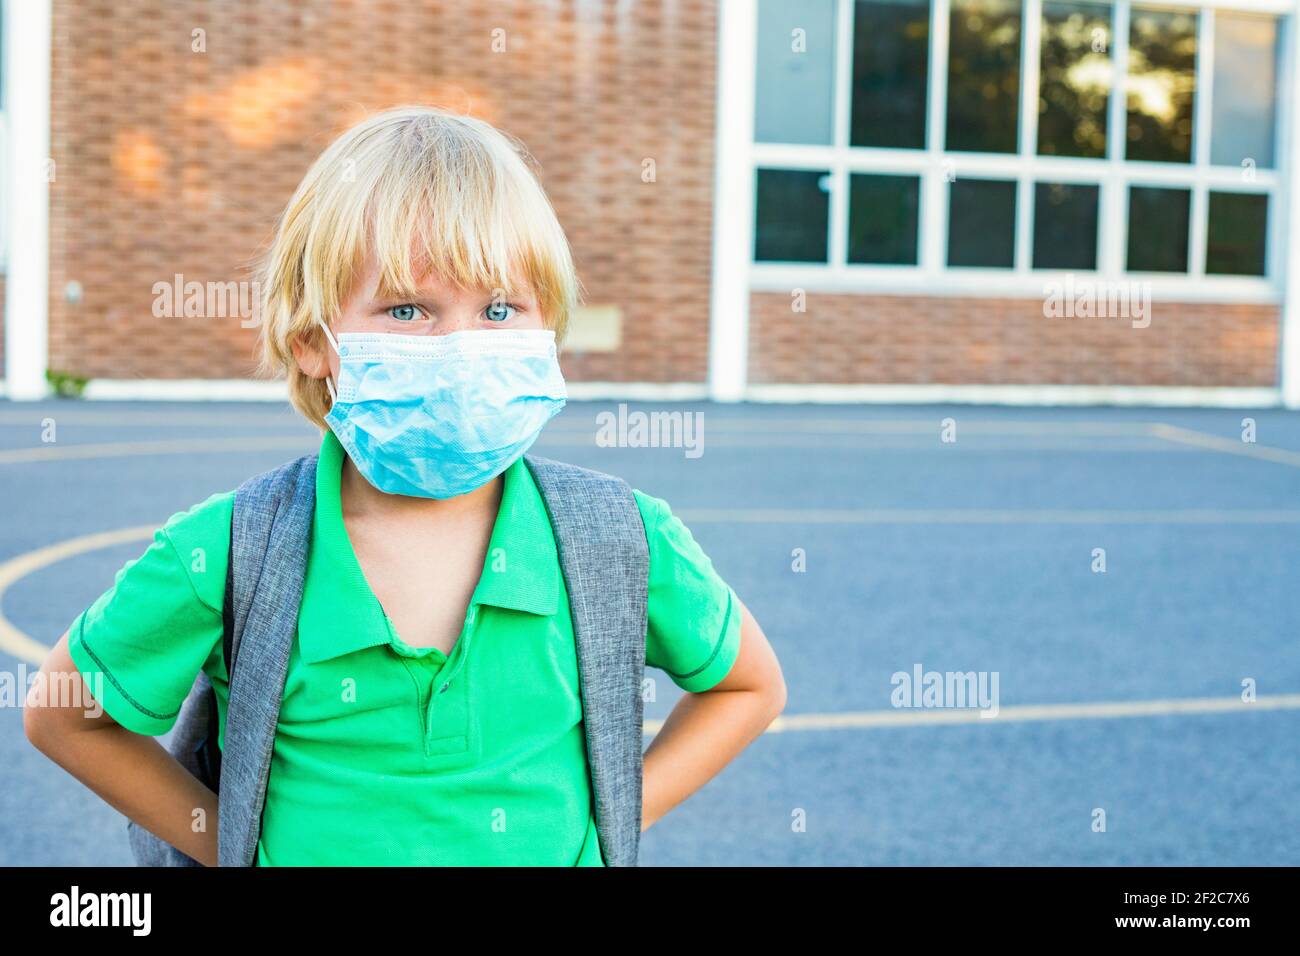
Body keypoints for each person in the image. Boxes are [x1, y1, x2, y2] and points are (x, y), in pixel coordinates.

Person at [23, 105, 786, 866]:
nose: (461, 348)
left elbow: (748, 686)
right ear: (314, 343)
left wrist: (606, 821)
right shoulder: (229, 551)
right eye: (407, 308)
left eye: (499, 308)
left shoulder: (616, 538)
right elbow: (64, 716)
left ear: (547, 322)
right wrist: (227, 846)